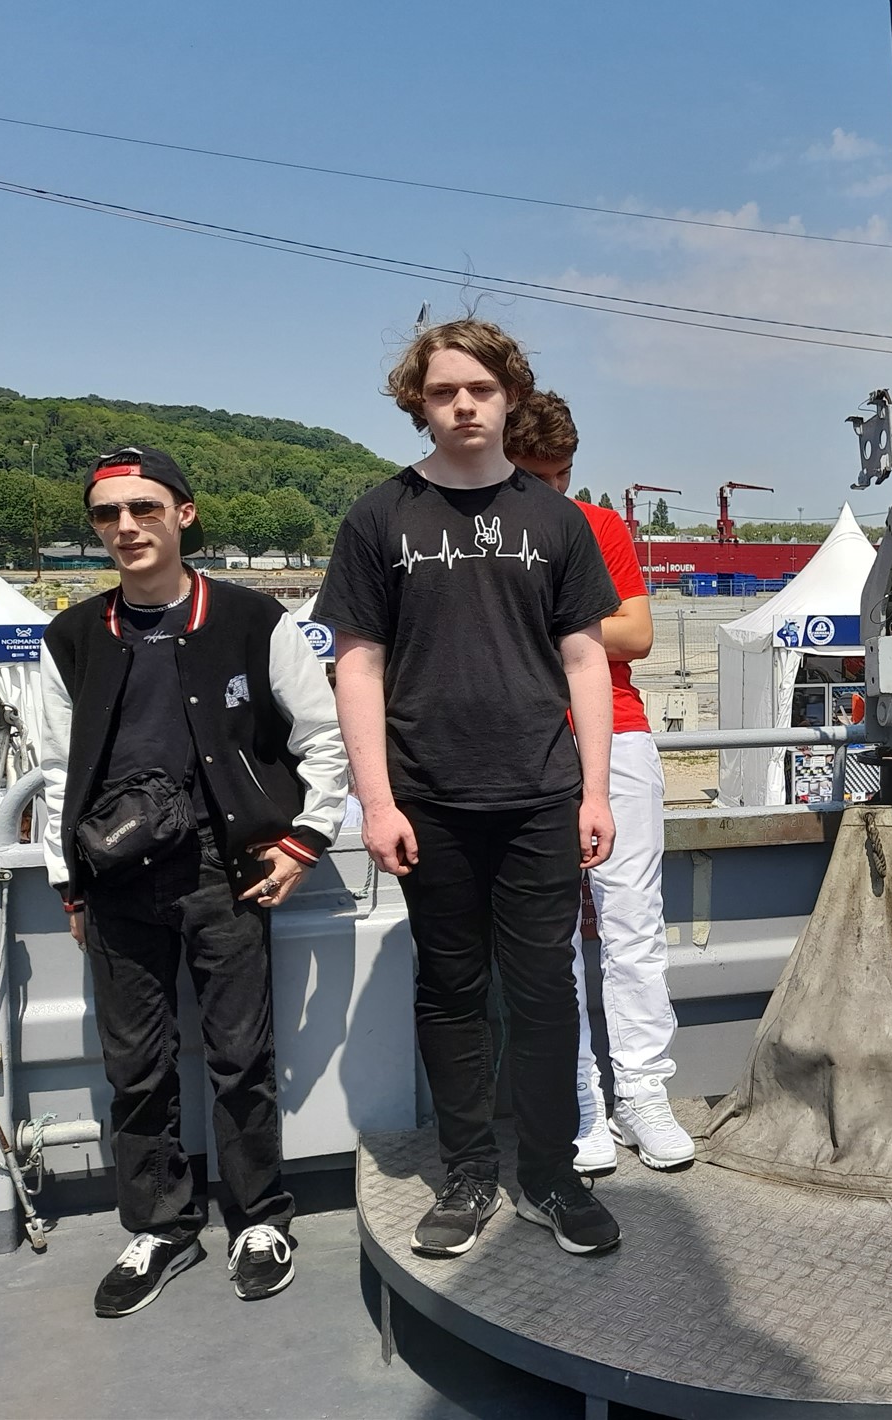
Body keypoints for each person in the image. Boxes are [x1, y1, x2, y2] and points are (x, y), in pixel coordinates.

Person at [315, 320, 624, 1259]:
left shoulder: (556, 519)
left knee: (540, 990)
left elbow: (584, 662)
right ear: (420, 401)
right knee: (451, 988)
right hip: (429, 798)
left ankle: (549, 1175)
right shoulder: (379, 518)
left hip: (538, 794)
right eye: (444, 391)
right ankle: (466, 1171)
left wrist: (596, 793)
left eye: (481, 390)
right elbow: (357, 666)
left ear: (509, 397)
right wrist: (376, 801)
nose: (463, 405)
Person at [40, 444, 347, 1315]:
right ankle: (160, 1228)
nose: (127, 527)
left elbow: (321, 736)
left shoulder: (254, 620)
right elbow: (58, 772)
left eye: (144, 509)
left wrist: (302, 843)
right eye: (108, 515)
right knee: (135, 1067)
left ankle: (259, 1217)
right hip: (115, 879)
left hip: (229, 869)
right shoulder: (69, 638)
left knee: (240, 1057)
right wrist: (71, 886)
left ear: (185, 514)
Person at [504, 389, 694, 1175]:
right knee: (547, 936)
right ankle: (580, 1096)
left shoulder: (599, 524)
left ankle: (643, 1091)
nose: (552, 494)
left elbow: (638, 633)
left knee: (633, 922)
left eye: (563, 475)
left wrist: (521, 631)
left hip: (616, 733)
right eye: (535, 477)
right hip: (520, 742)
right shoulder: (479, 533)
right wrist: (580, 632)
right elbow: (607, 631)